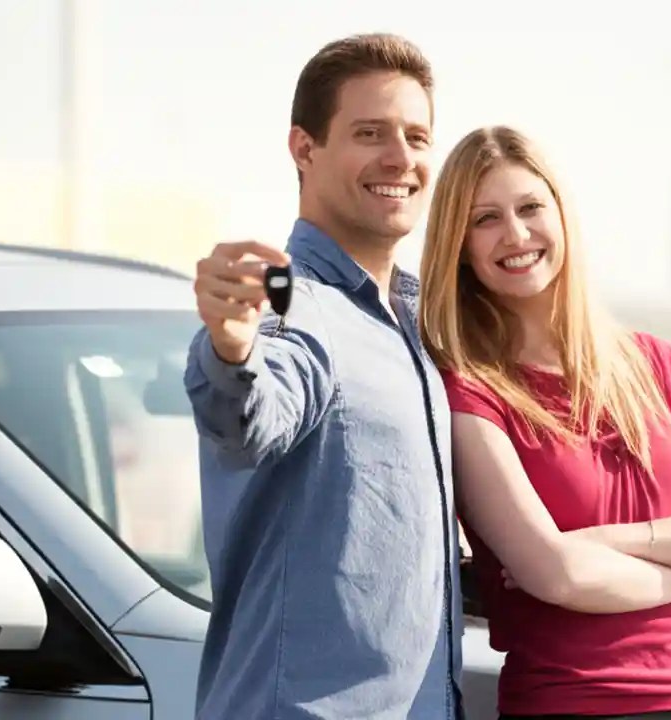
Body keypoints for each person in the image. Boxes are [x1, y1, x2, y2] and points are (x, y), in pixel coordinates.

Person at [418, 125, 671, 719]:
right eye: (485, 219)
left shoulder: (655, 364)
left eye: (531, 207)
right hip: (572, 703)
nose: (515, 234)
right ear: (459, 245)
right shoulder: (472, 392)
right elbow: (558, 576)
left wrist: (610, 543)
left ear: (561, 213)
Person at [182, 33, 464, 720]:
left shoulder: (416, 320)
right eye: (370, 133)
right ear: (304, 149)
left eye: (417, 137)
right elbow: (249, 419)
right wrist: (231, 347)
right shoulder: (293, 302)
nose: (401, 158)